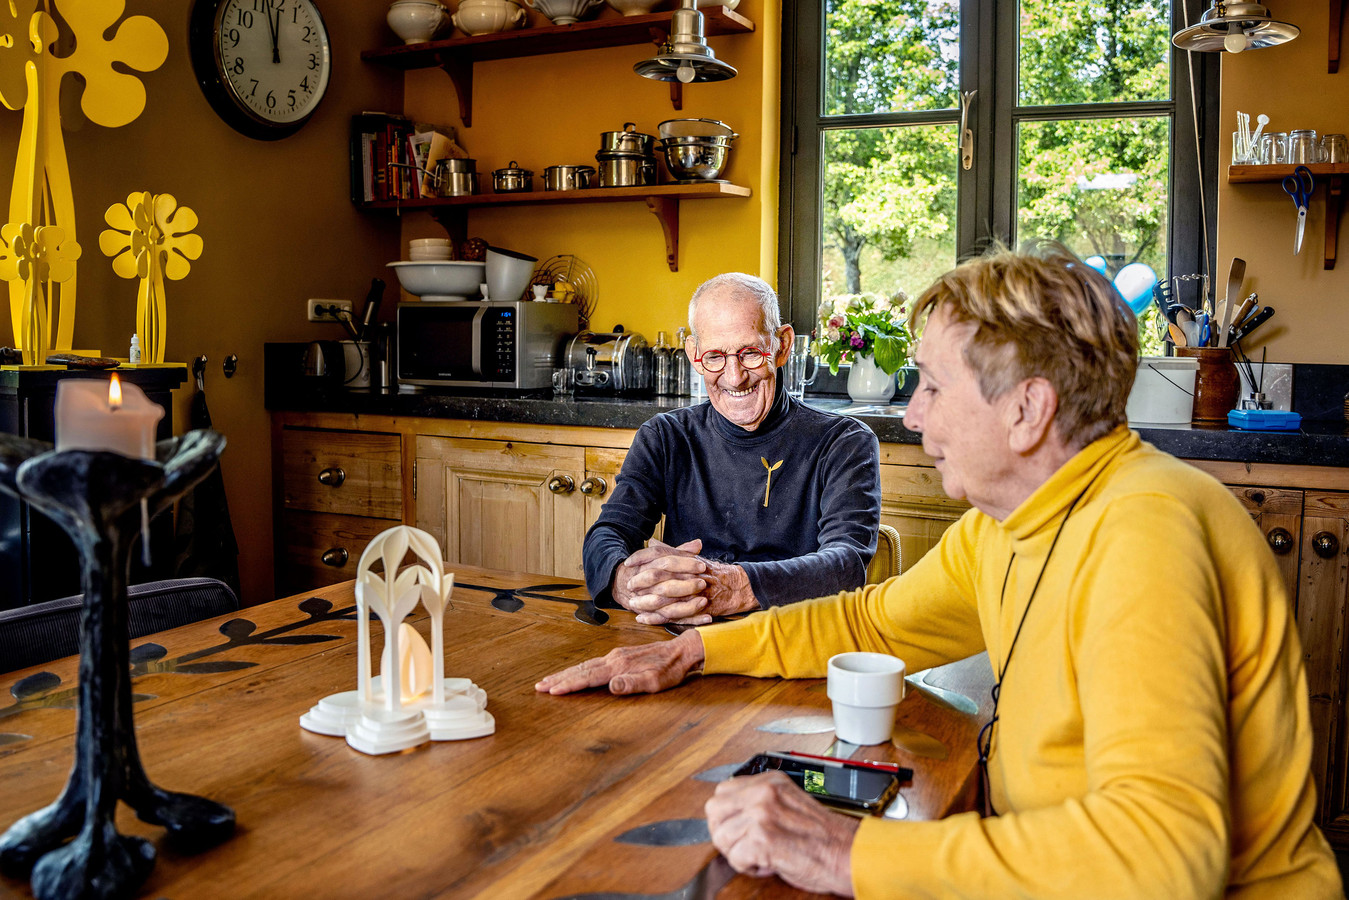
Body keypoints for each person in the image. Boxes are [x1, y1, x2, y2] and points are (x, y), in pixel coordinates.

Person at [537, 247, 1343, 898]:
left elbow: (1165, 861)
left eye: (930, 386)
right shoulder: (1005, 524)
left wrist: (850, 855)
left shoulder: (1144, 533)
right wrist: (688, 652)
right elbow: (866, 622)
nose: (913, 415)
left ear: (1025, 411)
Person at [583, 272, 881, 625]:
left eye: (750, 352)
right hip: (685, 633)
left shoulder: (843, 441)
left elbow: (845, 565)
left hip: (792, 635)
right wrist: (625, 581)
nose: (735, 376)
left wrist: (736, 587)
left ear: (781, 346)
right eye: (715, 356)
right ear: (695, 356)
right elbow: (609, 533)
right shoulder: (666, 436)